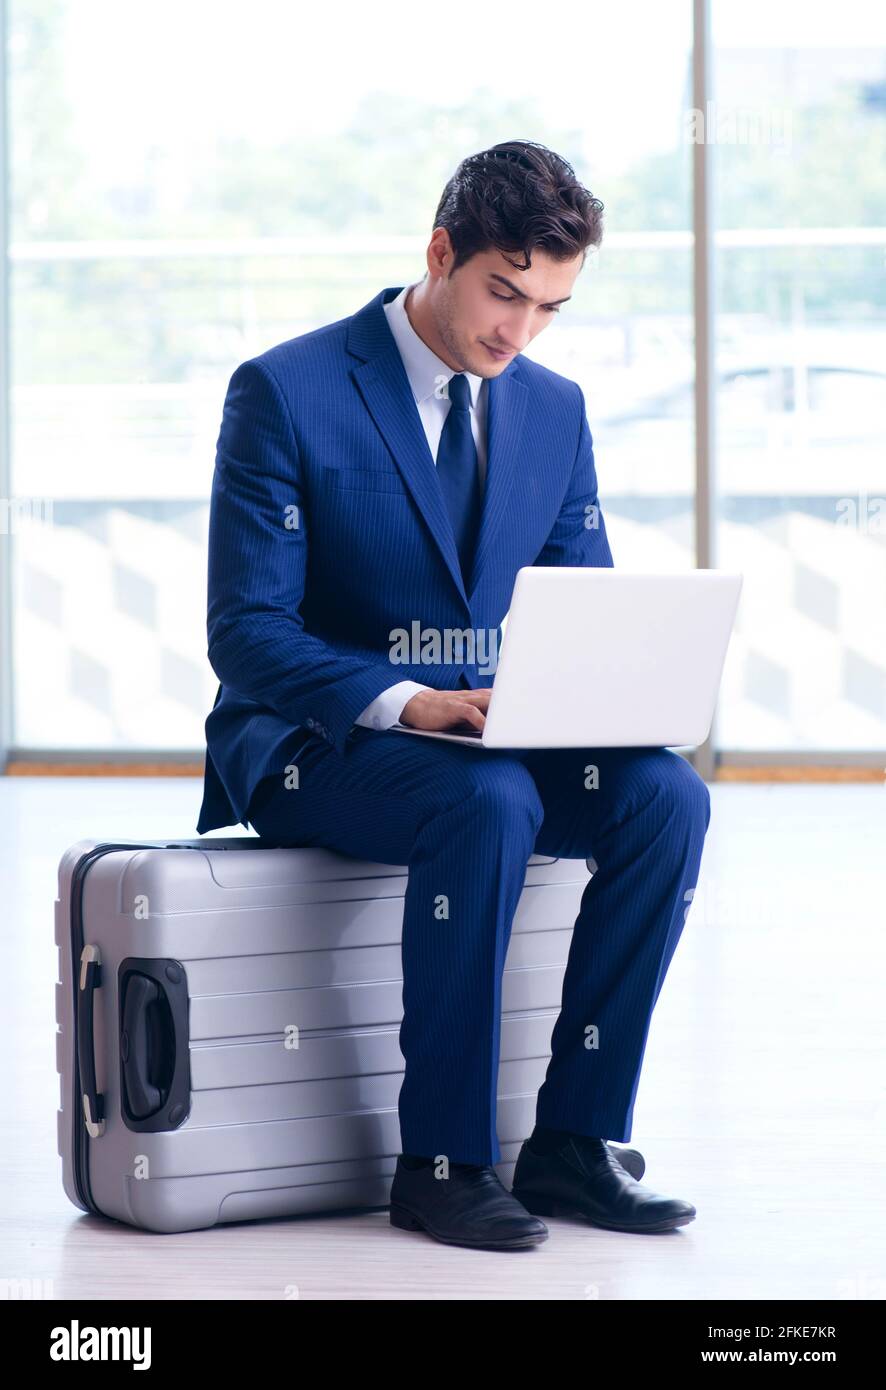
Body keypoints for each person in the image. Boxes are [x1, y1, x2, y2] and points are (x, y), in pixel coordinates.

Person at [196, 139, 709, 1250]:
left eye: (550, 308)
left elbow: (586, 604)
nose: (517, 332)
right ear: (440, 252)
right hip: (311, 737)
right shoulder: (286, 391)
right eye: (503, 291)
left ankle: (574, 1142)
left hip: (487, 736)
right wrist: (404, 698)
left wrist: (617, 690)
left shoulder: (553, 412)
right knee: (489, 805)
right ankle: (440, 1160)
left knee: (667, 797)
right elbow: (244, 633)